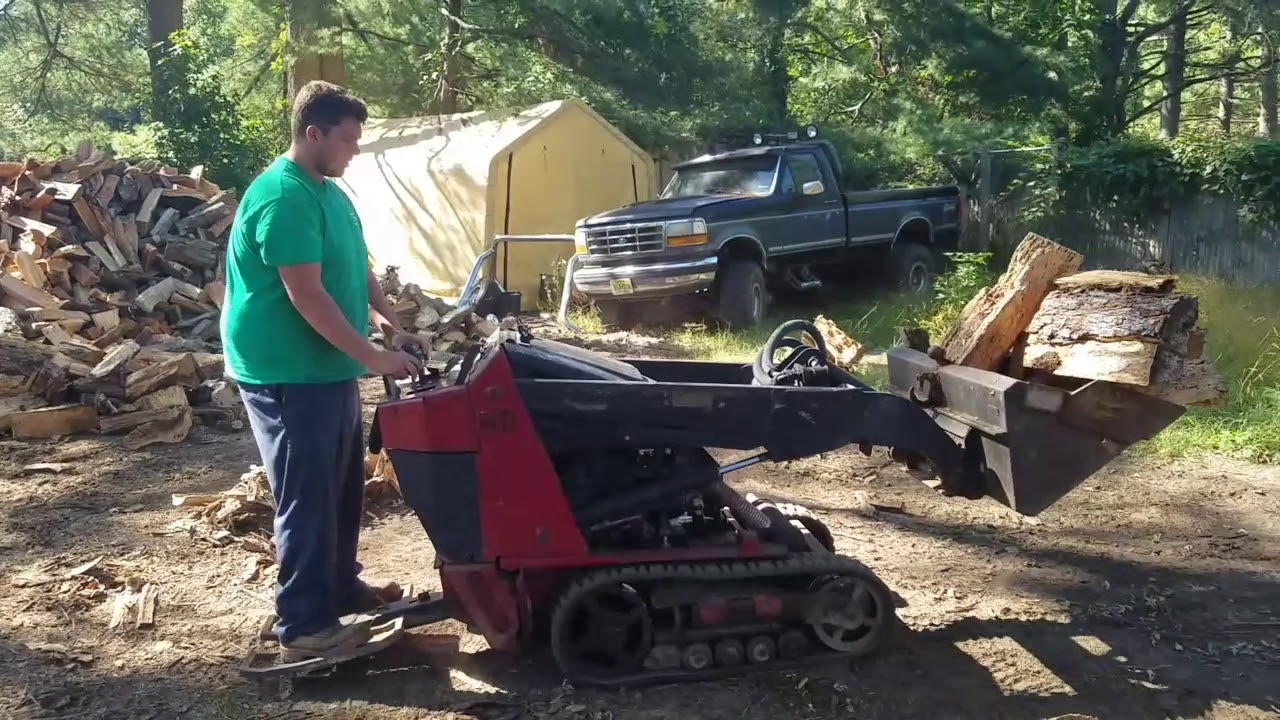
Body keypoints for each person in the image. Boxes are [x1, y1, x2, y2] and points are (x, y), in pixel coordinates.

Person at [219, 80, 424, 660]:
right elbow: (307, 296)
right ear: (314, 135)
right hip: (284, 369)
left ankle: (336, 585)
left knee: (341, 484)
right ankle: (304, 626)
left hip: (327, 364)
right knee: (305, 494)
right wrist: (375, 359)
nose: (355, 150)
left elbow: (353, 263)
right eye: (349, 140)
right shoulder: (283, 197)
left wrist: (386, 321)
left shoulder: (329, 191)